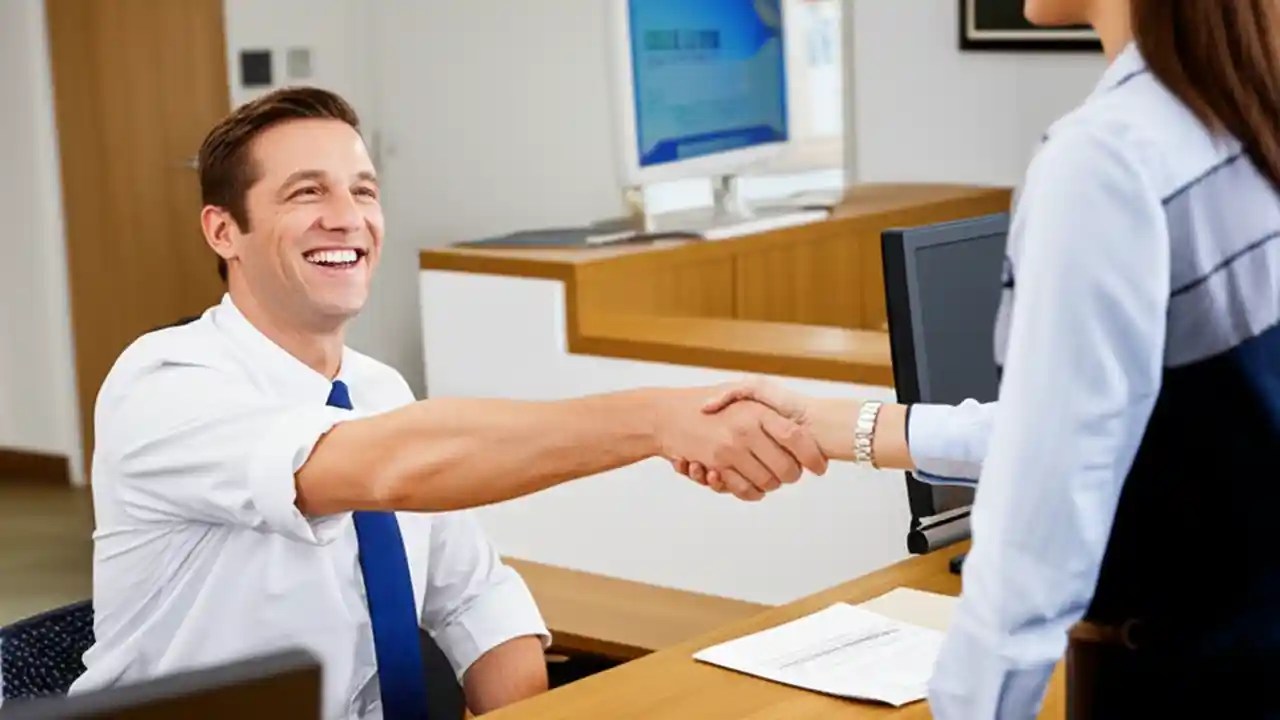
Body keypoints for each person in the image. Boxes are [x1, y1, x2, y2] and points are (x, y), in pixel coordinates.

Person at [71, 87, 828, 719]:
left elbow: (475, 596)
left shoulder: (377, 390)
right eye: (308, 192)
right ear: (223, 230)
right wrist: (658, 420)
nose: (347, 216)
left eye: (363, 191)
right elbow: (388, 466)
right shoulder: (164, 384)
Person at [677, 0, 1280, 716]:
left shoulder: (1109, 160)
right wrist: (841, 426)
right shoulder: (1242, 119)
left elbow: (1038, 537)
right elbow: (1125, 432)